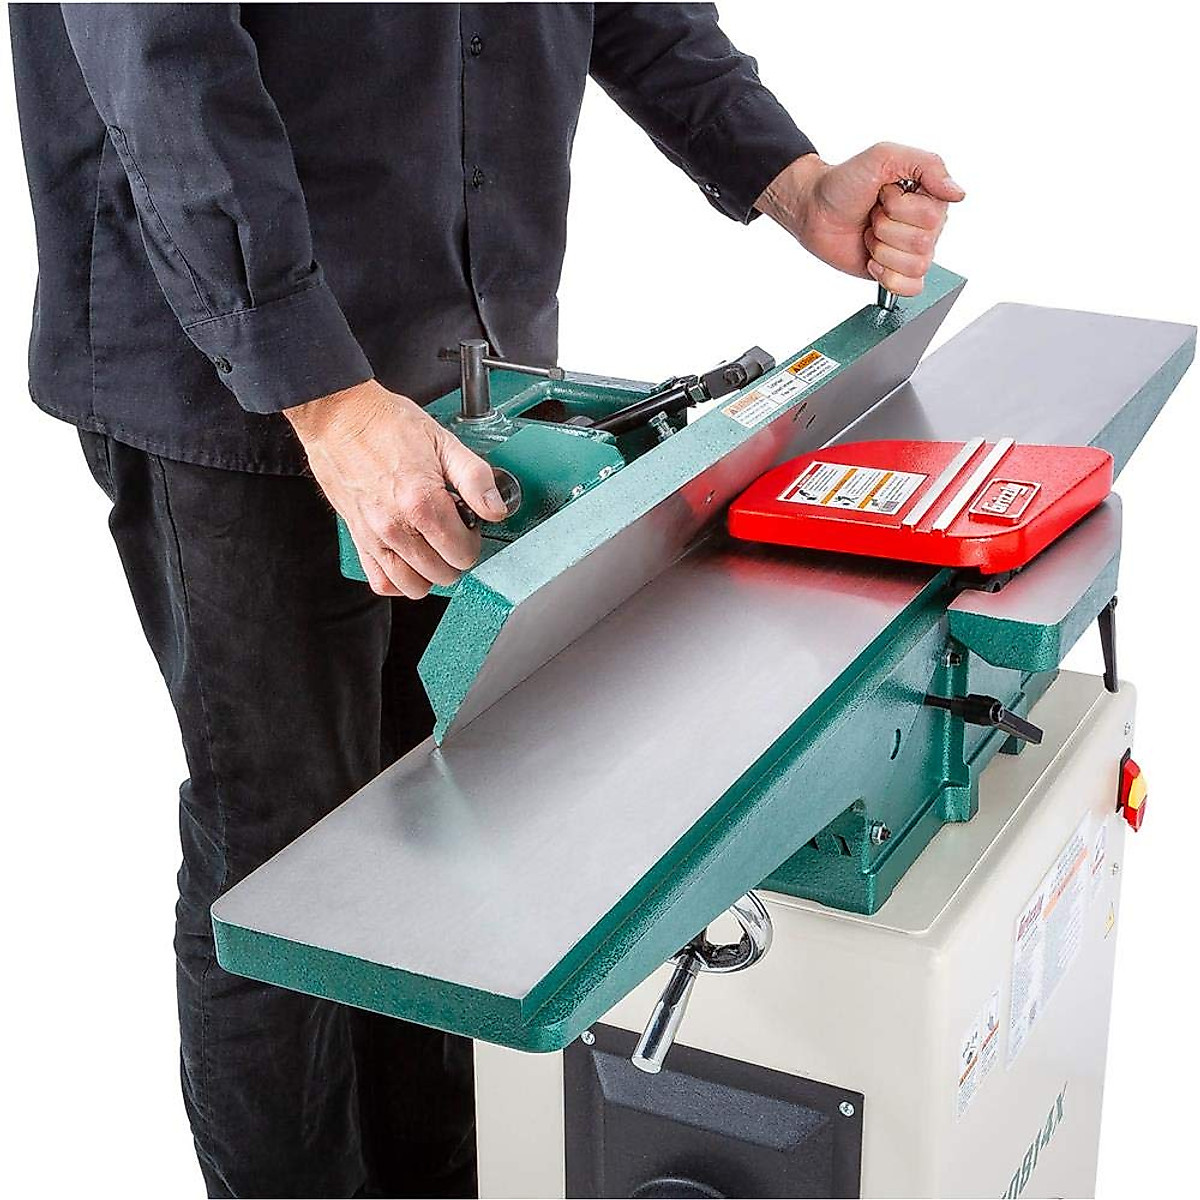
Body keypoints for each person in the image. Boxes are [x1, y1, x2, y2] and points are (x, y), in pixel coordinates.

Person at [9, 4, 964, 1196]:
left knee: (448, 818)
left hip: (464, 369)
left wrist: (794, 179)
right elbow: (169, 70)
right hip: (238, 383)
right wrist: (325, 397)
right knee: (283, 854)